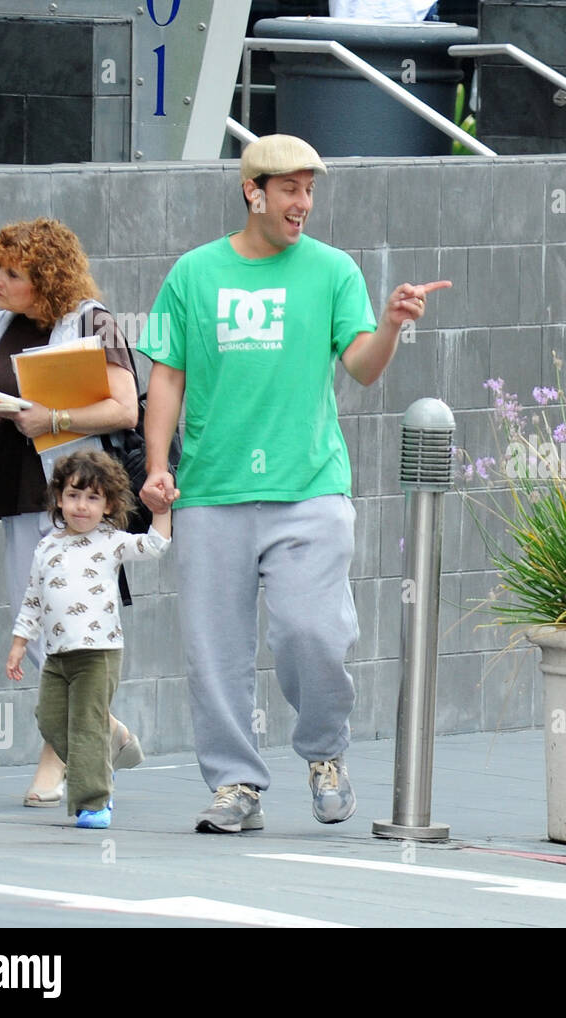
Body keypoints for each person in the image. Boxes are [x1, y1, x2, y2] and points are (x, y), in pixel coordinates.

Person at [136, 134, 450, 834]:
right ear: (254, 193)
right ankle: (236, 783)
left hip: (310, 490)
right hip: (212, 492)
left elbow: (363, 368)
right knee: (213, 651)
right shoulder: (193, 274)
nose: (303, 203)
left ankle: (325, 753)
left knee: (312, 631)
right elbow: (166, 376)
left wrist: (393, 325)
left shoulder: (334, 271)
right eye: (290, 190)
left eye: (309, 190)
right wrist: (158, 466)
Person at [0, 218, 146, 808]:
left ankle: (65, 753)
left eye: (12, 273)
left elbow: (124, 409)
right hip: (18, 495)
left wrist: (55, 419)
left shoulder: (91, 323)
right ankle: (101, 735)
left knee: (68, 623)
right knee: (39, 621)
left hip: (76, 502)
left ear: (44, 278)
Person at [5, 450, 171, 829]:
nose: (82, 506)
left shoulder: (110, 541)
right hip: (57, 655)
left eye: (93, 498)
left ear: (108, 504)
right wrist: (18, 644)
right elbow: (33, 599)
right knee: (48, 719)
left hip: (99, 653)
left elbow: (155, 546)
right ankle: (97, 763)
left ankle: (94, 801)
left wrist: (162, 510)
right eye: (74, 496)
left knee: (86, 725)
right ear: (59, 499)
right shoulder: (47, 547)